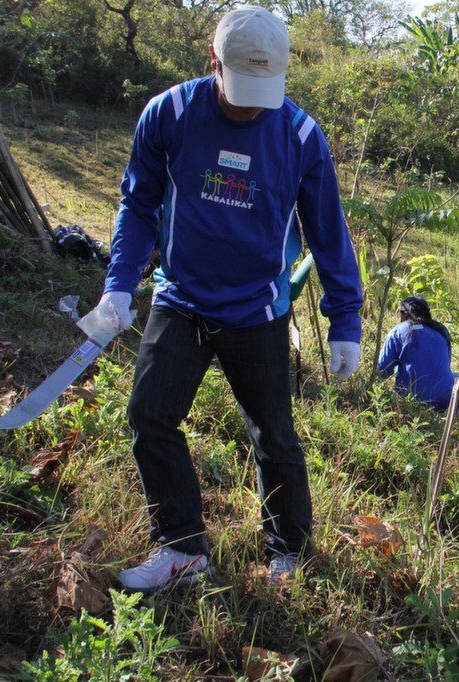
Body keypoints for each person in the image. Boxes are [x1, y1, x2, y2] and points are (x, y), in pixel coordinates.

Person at [79, 7, 363, 592]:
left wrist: (345, 319)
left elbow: (328, 232)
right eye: (242, 89)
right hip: (180, 298)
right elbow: (138, 202)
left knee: (273, 436)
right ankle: (182, 549)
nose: (253, 107)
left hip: (257, 310)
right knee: (149, 416)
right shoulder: (171, 113)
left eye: (265, 91)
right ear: (214, 60)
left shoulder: (300, 136)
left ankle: (287, 552)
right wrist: (118, 284)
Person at [377, 296, 459, 420]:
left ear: (404, 314)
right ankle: (458, 421)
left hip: (407, 400)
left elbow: (382, 371)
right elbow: (445, 366)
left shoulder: (397, 332)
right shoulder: (441, 330)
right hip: (444, 399)